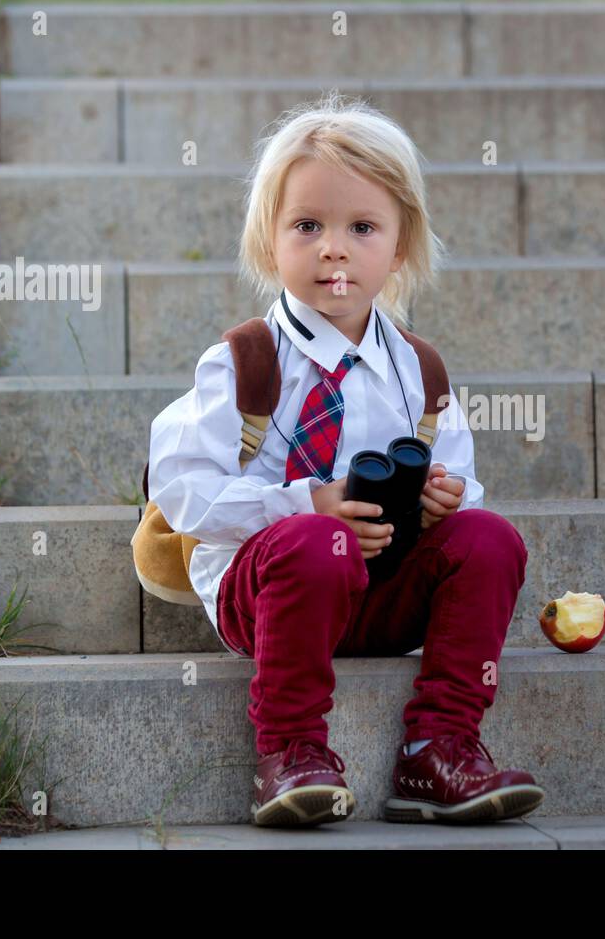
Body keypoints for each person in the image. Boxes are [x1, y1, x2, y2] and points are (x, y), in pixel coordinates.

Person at [146, 90, 545, 828]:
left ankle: (439, 747)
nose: (334, 247)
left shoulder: (419, 372)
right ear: (271, 242)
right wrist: (303, 503)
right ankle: (290, 752)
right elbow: (181, 491)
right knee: (317, 538)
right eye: (308, 225)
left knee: (491, 537)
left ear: (398, 248)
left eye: (361, 227)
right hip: (270, 595)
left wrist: (444, 499)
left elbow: (464, 480)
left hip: (382, 591)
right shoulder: (245, 363)